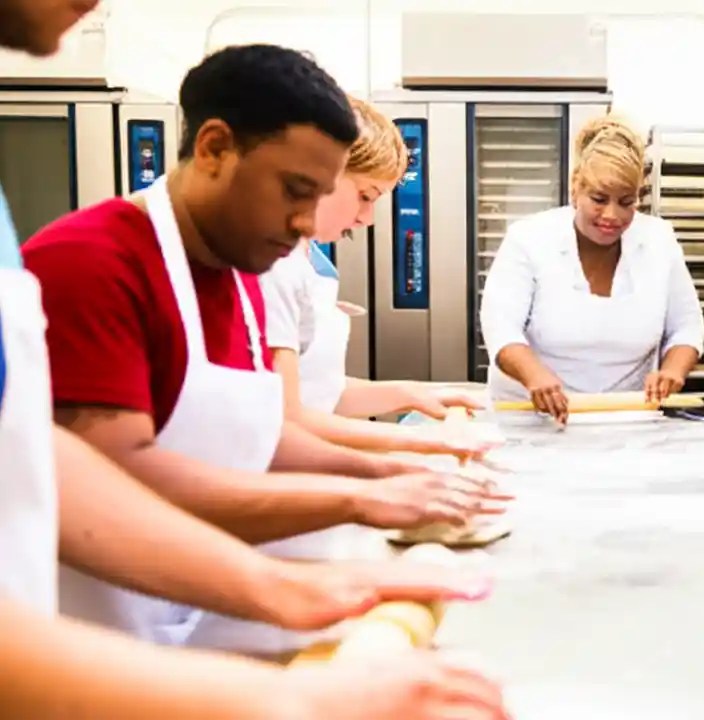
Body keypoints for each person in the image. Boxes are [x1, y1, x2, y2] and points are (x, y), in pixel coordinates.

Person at [0, 3, 507, 717]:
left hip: (195, 631)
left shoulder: (239, 277)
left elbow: (262, 435)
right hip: (89, 661)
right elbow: (116, 469)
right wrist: (361, 495)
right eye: (296, 192)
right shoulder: (93, 261)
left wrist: (299, 577)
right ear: (213, 148)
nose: (309, 225)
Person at [259, 96, 488, 460]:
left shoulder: (304, 259)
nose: (368, 218)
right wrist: (423, 444)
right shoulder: (268, 263)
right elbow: (283, 420)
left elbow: (320, 392)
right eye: (365, 196)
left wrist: (409, 394)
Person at [480, 115, 704, 424]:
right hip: (531, 419)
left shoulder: (658, 240)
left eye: (626, 202)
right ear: (576, 188)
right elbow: (501, 327)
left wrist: (672, 371)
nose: (612, 215)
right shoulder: (530, 238)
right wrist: (534, 376)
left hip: (625, 418)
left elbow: (687, 325)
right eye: (599, 199)